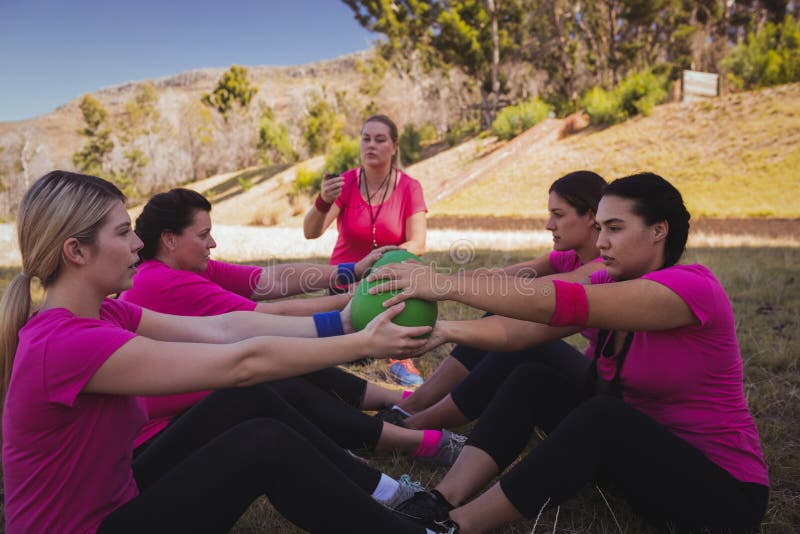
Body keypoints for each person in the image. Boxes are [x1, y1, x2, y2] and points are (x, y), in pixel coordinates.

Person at [0, 170, 441, 533]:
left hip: (117, 500)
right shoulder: (66, 343)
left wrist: (342, 324)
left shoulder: (107, 314)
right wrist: (360, 343)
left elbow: (225, 328)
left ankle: (390, 494)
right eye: (123, 233)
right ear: (76, 251)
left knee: (243, 400)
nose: (138, 243)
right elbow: (241, 362)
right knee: (261, 442)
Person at [372, 173, 769, 533]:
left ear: (658, 230)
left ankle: (455, 526)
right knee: (532, 379)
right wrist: (443, 331)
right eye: (600, 229)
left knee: (602, 415)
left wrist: (442, 284)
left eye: (614, 228)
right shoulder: (607, 281)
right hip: (641, 469)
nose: (601, 242)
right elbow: (517, 331)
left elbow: (560, 301)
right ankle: (440, 500)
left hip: (723, 495)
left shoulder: (692, 288)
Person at [121, 187, 465, 465]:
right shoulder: (160, 282)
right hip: (163, 432)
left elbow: (270, 279)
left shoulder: (187, 267)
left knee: (285, 362)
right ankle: (412, 440)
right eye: (204, 234)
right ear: (169, 239)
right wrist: (354, 308)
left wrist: (351, 272)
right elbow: (273, 319)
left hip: (194, 399)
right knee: (277, 369)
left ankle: (403, 405)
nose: (213, 243)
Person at [381, 170, 606, 430]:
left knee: (528, 346)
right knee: (500, 317)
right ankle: (412, 406)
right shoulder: (569, 257)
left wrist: (442, 289)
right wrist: (433, 278)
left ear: (590, 216)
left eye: (558, 215)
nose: (548, 224)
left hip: (606, 395)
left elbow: (532, 294)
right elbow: (500, 279)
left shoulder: (600, 270)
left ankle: (412, 426)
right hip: (591, 377)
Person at [303, 114, 428, 386]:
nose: (371, 145)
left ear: (394, 146)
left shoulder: (409, 187)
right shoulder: (346, 184)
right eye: (366, 138)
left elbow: (417, 243)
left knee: (403, 284)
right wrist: (323, 201)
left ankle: (399, 359)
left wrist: (380, 268)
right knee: (348, 354)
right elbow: (310, 232)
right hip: (345, 282)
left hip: (384, 280)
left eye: (380, 139)